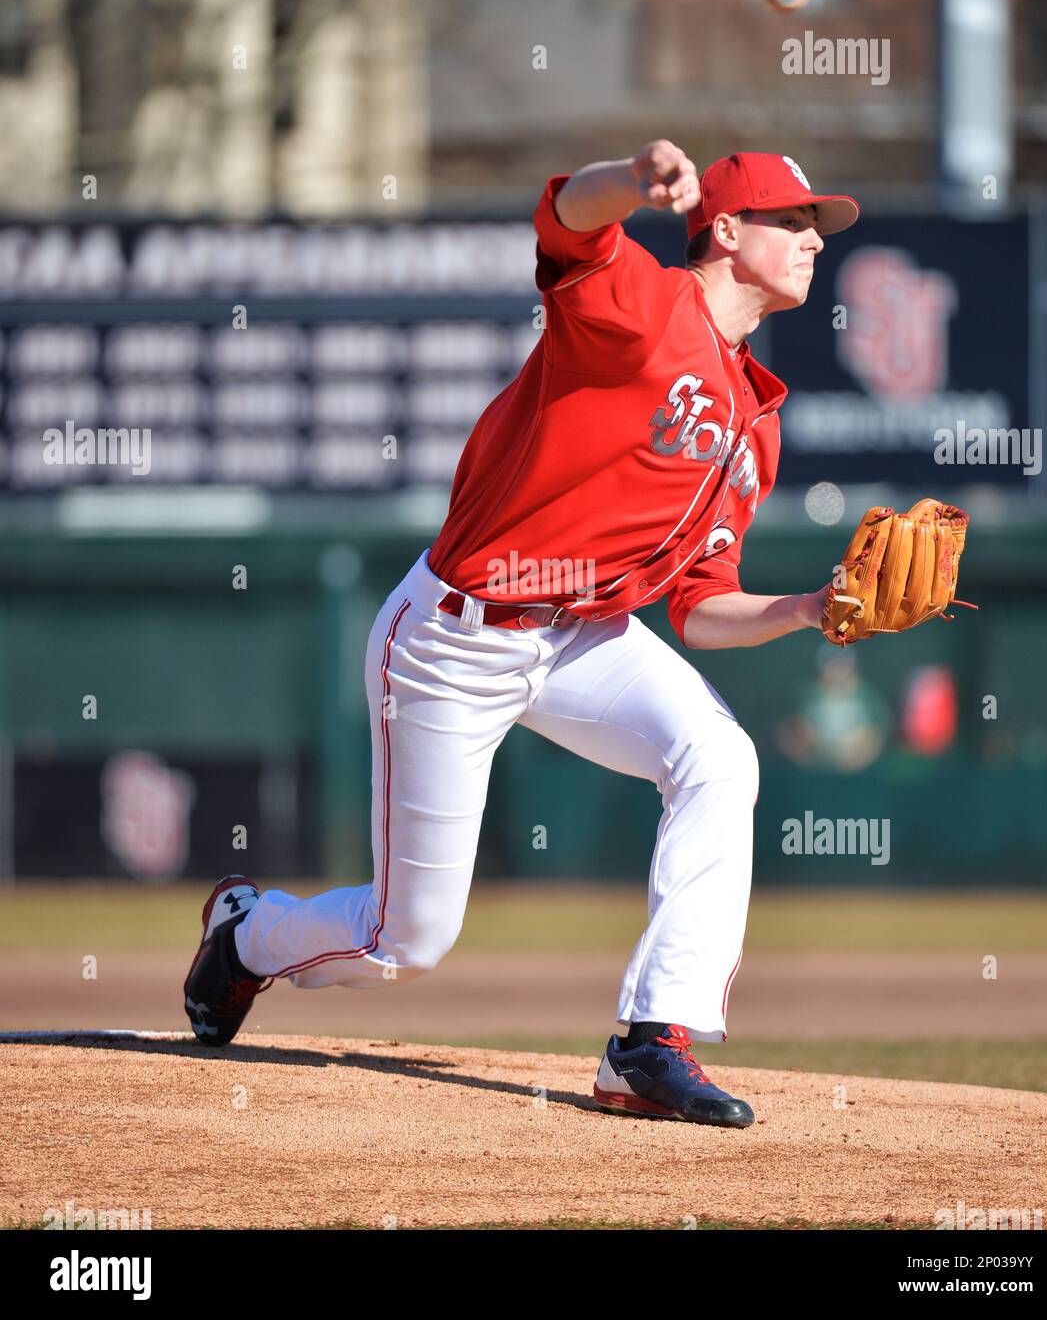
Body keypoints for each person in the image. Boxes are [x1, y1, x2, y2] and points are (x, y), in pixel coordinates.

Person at [184, 142, 860, 1129]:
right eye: (793, 221)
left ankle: (649, 1041)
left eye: (817, 226)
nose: (812, 241)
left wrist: (803, 608)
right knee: (404, 941)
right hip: (455, 639)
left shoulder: (756, 421)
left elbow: (701, 605)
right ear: (723, 229)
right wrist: (633, 177)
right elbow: (566, 220)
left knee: (719, 757)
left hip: (585, 637)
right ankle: (248, 935)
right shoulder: (641, 306)